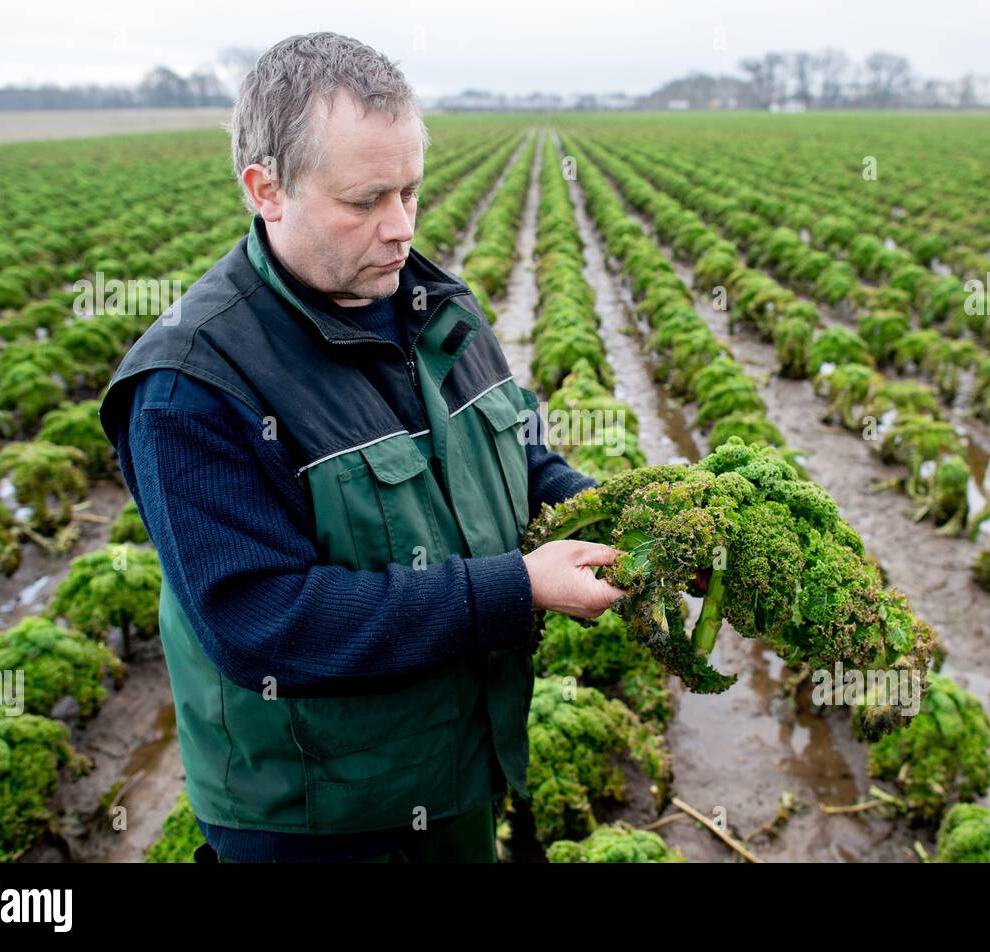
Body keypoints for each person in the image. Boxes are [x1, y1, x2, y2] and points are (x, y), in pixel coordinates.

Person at [97, 31, 624, 864]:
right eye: (365, 200)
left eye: (412, 191)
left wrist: (627, 524)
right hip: (320, 818)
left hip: (458, 765)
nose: (401, 229)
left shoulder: (437, 306)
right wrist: (514, 589)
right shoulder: (191, 386)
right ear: (265, 189)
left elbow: (519, 458)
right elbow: (262, 623)